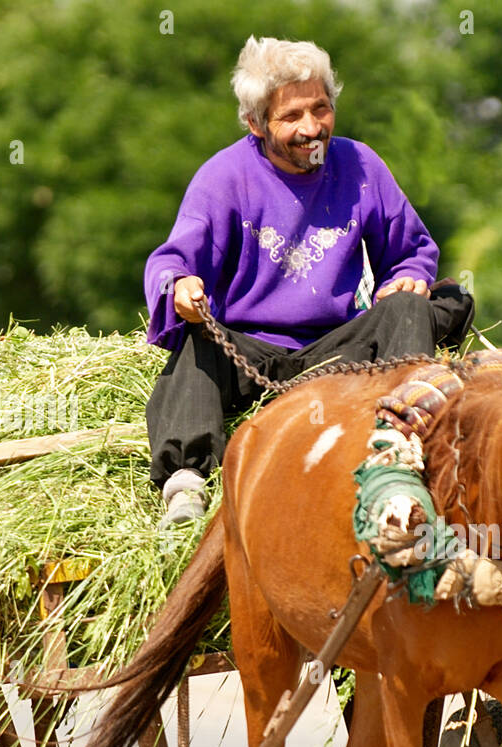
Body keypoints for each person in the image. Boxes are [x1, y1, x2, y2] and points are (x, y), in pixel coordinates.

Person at [143, 35, 474, 526]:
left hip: (340, 351)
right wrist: (180, 288)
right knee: (195, 345)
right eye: (292, 116)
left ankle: (409, 451)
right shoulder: (223, 178)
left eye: (321, 109)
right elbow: (170, 262)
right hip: (249, 353)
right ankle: (186, 483)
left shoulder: (361, 165)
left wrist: (407, 278)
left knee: (419, 307)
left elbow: (412, 250)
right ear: (256, 123)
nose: (311, 128)